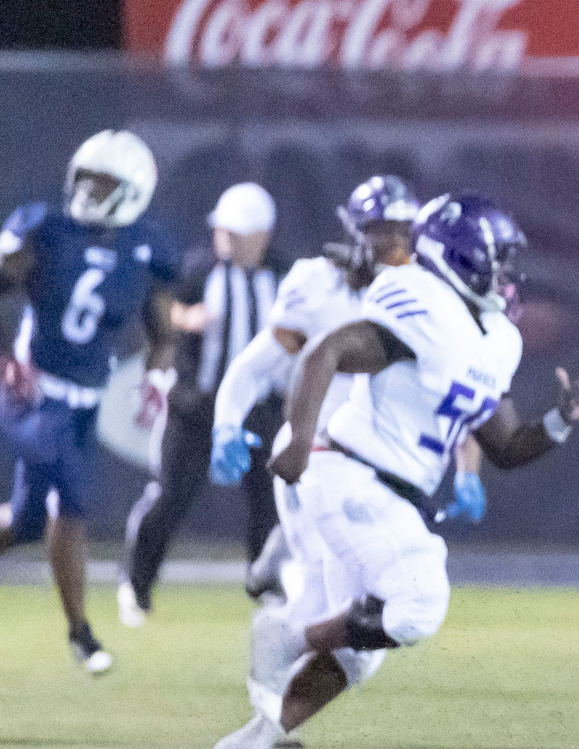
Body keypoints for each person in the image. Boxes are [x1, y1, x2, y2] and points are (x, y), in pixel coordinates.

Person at [208, 193, 579, 749]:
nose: (509, 276)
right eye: (498, 260)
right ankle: (286, 637)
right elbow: (327, 350)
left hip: (387, 491)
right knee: (419, 603)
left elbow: (505, 445)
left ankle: (252, 744)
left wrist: (560, 423)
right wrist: (297, 437)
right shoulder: (423, 300)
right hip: (350, 471)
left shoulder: (495, 337)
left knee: (361, 653)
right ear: (461, 259)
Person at [204, 176, 468, 607]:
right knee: (322, 592)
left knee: (371, 596)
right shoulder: (319, 285)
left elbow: (460, 388)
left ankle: (280, 561)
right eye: (382, 231)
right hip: (316, 451)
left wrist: (467, 467)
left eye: (404, 233)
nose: (394, 245)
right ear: (356, 232)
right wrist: (227, 423)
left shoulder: (431, 297)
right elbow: (254, 367)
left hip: (379, 467)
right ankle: (279, 632)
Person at [0, 131, 178, 672]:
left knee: (30, 524)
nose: (88, 192)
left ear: (133, 191)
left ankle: (80, 634)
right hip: (32, 392)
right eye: (87, 179)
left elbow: (162, 334)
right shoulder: (43, 229)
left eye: (104, 184)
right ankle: (82, 632)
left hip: (85, 401)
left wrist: (156, 378)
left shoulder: (149, 249)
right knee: (70, 500)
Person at [119, 182, 285, 622]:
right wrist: (181, 319)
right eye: (223, 231)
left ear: (262, 235)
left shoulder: (286, 275)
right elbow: (158, 308)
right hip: (197, 406)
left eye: (235, 232)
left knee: (271, 500)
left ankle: (264, 583)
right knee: (170, 496)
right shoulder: (199, 269)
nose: (224, 239)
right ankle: (136, 583)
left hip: (261, 407)